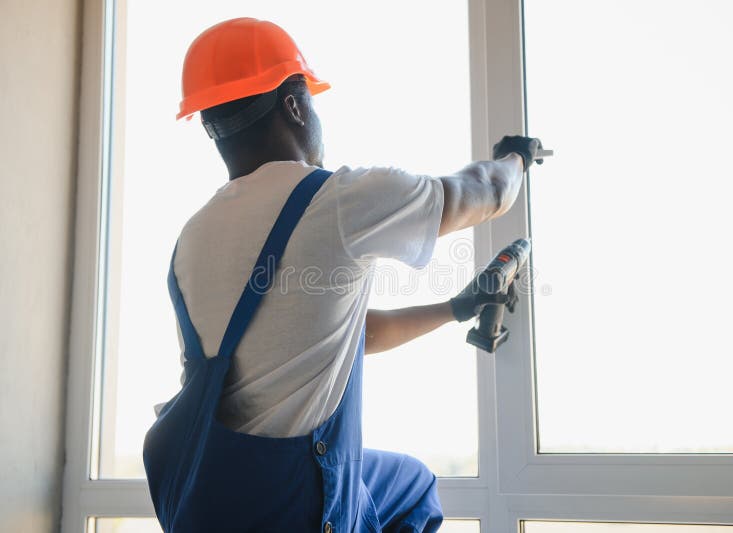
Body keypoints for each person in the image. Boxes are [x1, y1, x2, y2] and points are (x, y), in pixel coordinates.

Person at [143, 17, 542, 533]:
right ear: (293, 104)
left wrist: (453, 310)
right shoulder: (336, 202)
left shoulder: (190, 240)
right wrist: (516, 157)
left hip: (211, 501)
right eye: (309, 97)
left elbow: (330, 337)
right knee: (416, 492)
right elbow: (485, 192)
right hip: (290, 507)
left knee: (406, 480)